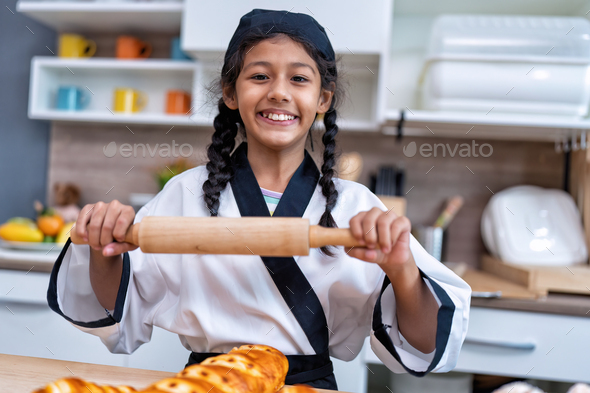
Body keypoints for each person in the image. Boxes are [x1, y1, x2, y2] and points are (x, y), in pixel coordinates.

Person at [47, 9, 471, 390]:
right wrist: (105, 248)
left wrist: (401, 271)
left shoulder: (357, 209)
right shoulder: (186, 194)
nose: (279, 93)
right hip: (210, 384)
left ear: (323, 99)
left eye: (300, 78)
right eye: (260, 76)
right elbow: (116, 315)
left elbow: (424, 343)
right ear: (231, 93)